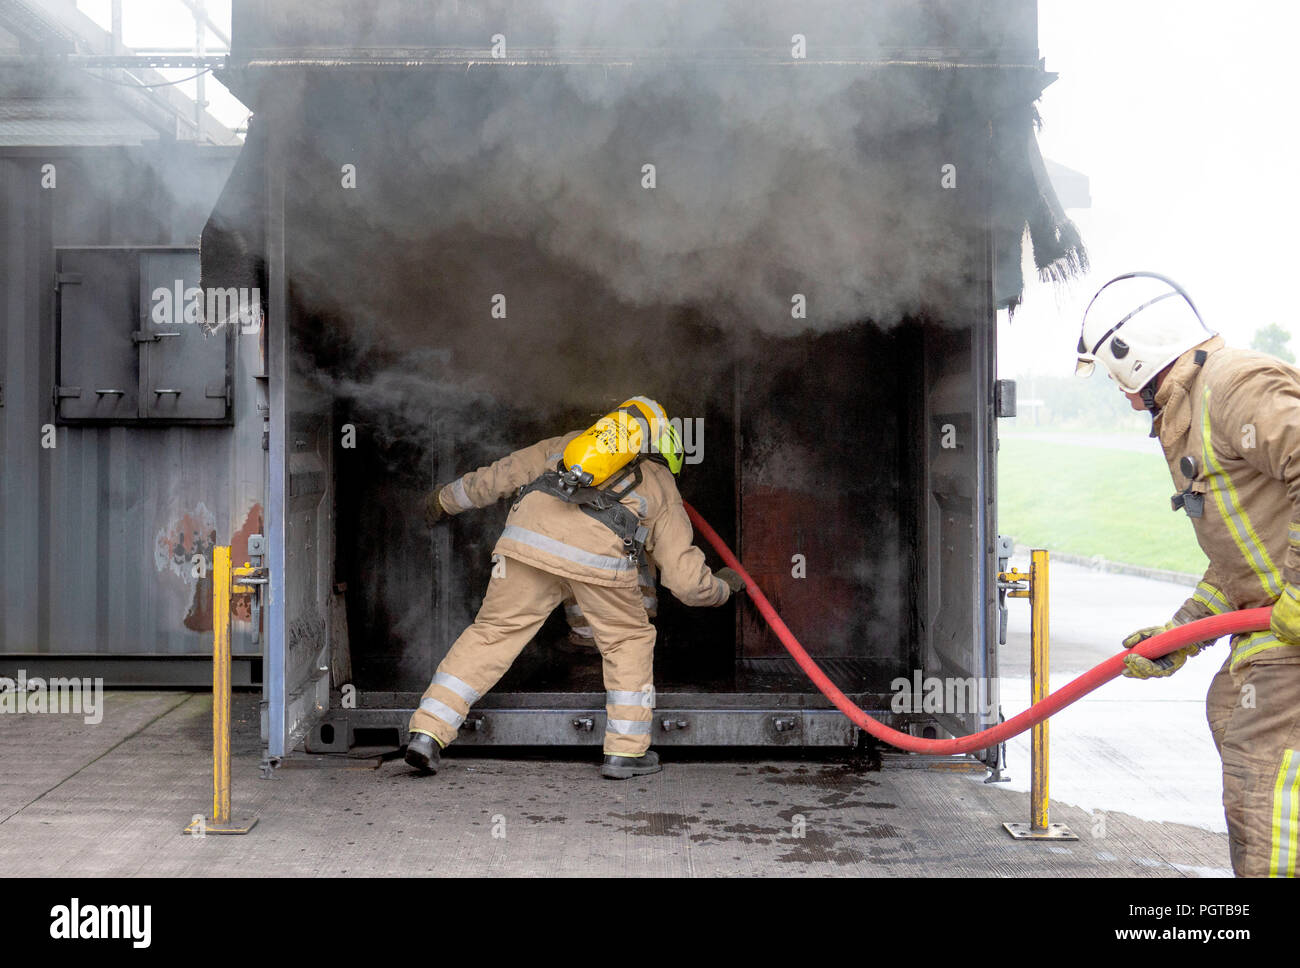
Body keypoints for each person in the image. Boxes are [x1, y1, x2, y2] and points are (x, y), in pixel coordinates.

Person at [1075, 272, 1300, 876]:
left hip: (1290, 636)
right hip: (1271, 631)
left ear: (1136, 357)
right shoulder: (1192, 408)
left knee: (1264, 775)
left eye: (1118, 381)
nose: (1123, 400)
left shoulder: (1233, 386)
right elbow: (1240, 563)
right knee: (1231, 710)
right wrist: (1179, 634)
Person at [404, 397, 745, 779]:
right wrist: (724, 588)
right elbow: (684, 582)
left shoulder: (564, 445)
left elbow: (496, 477)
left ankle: (427, 731)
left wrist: (442, 500)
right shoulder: (661, 483)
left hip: (526, 548)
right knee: (627, 640)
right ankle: (625, 753)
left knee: (491, 634)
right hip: (598, 565)